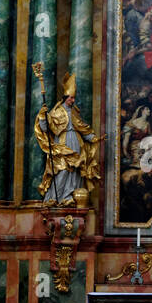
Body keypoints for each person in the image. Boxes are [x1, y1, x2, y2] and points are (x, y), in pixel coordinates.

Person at [34, 73, 100, 206]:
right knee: (62, 170)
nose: (73, 100)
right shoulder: (56, 112)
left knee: (75, 171)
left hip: (75, 141)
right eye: (71, 98)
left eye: (74, 98)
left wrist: (93, 138)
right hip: (62, 142)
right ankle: (55, 198)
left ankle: (69, 197)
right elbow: (47, 128)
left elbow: (82, 128)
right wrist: (42, 115)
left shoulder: (74, 112)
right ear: (65, 98)